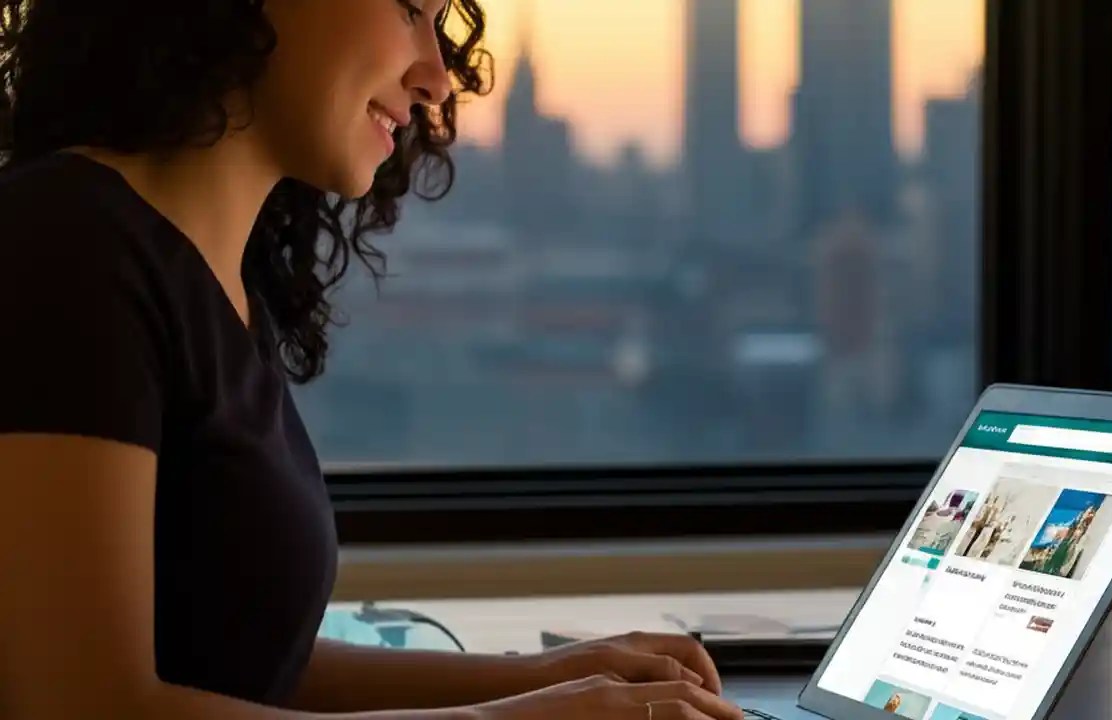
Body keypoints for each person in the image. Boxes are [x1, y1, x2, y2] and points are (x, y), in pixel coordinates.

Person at [0, 1, 741, 719]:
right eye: (409, 8)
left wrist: (547, 679)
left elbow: (244, 668)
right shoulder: (69, 245)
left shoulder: (213, 279)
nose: (437, 77)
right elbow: (82, 706)